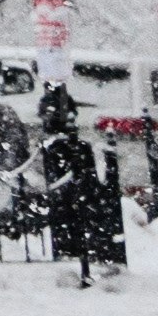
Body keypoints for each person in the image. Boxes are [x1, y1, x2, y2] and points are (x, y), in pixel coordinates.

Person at [36, 88, 125, 289]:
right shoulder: (72, 147)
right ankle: (86, 257)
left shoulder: (64, 148)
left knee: (75, 221)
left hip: (77, 202)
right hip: (82, 201)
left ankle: (83, 258)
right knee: (79, 221)